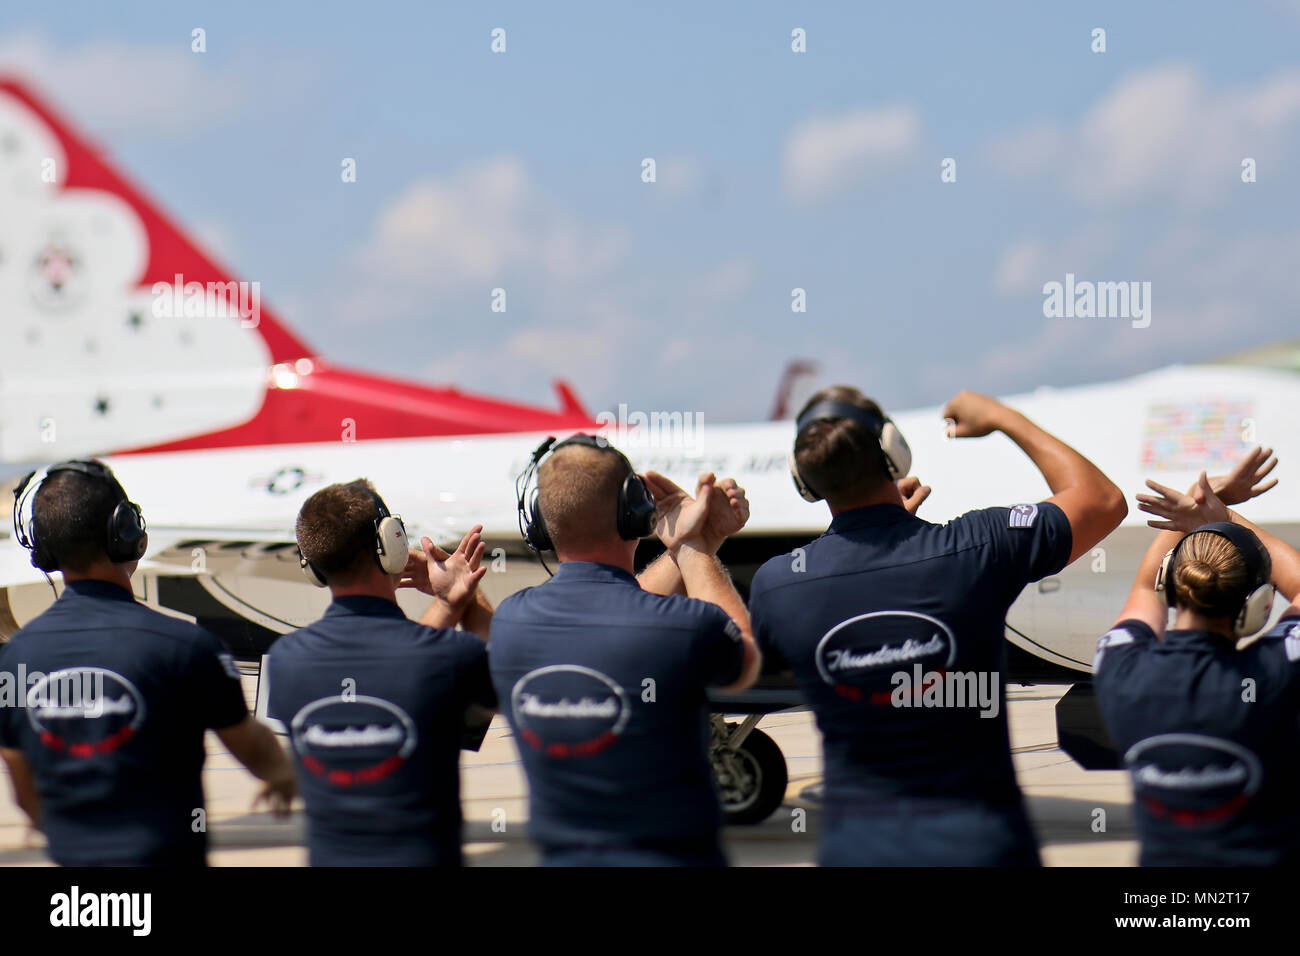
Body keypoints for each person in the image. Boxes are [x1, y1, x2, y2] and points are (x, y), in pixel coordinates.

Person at [747, 387, 1127, 865]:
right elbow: (1102, 499)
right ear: (892, 452)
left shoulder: (779, 585)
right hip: (983, 849)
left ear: (805, 479)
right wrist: (1003, 417)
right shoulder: (978, 548)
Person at [0, 459, 294, 866]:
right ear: (126, 532)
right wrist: (283, 773)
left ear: (44, 549)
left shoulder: (14, 660)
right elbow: (252, 748)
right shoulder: (187, 646)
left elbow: (24, 789)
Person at [489, 434, 761, 866]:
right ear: (632, 512)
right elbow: (743, 658)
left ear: (541, 521)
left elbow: (615, 606)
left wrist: (686, 549)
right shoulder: (681, 627)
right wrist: (693, 547)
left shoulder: (509, 623)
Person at [267, 480, 496, 866]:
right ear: (390, 542)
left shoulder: (285, 662)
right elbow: (520, 673)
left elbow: (397, 670)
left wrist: (449, 603)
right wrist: (466, 596)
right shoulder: (449, 657)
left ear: (313, 567)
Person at [1094, 448, 1299, 865]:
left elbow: (1144, 586)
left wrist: (1206, 504)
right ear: (1259, 605)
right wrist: (1221, 516)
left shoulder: (1118, 668)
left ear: (1171, 588)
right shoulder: (1274, 674)